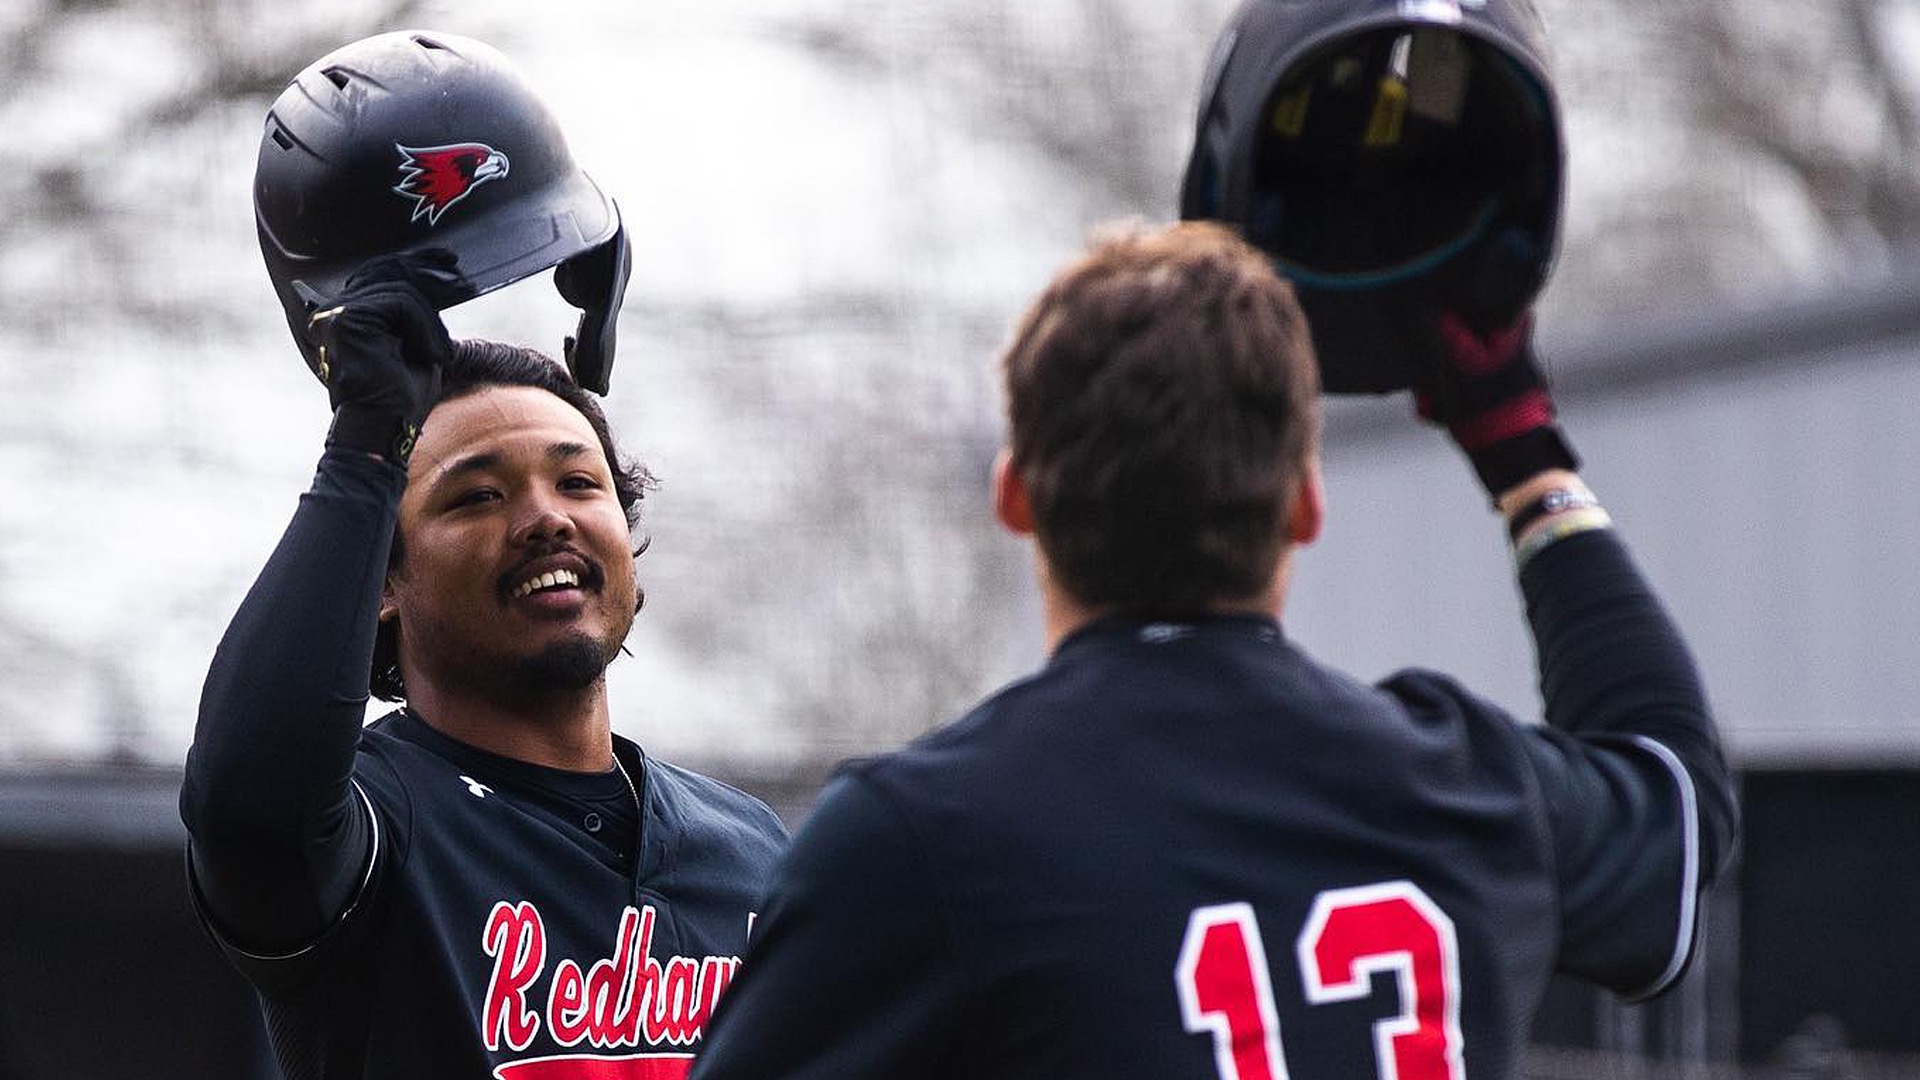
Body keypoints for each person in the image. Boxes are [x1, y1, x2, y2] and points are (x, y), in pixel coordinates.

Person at [688, 221, 1738, 1080]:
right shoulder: (1472, 782)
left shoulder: (919, 837)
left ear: (1016, 497)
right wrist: (1520, 441)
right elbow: (1682, 796)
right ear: (1307, 503)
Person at [182, 32, 786, 1078]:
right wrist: (365, 445)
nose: (544, 515)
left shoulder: (754, 850)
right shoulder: (372, 833)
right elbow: (246, 808)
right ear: (380, 583)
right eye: (475, 496)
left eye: (579, 480)